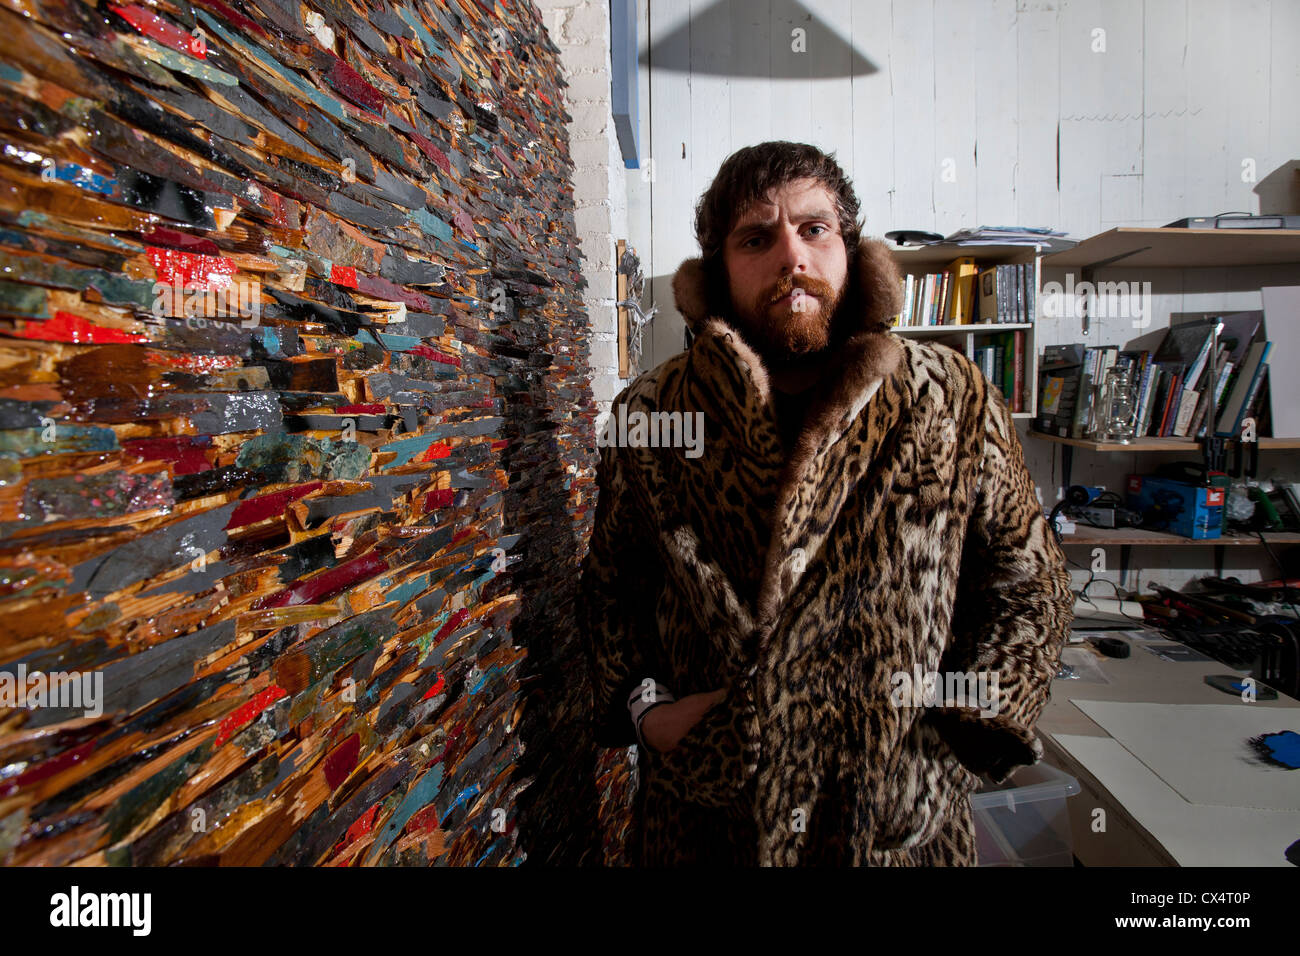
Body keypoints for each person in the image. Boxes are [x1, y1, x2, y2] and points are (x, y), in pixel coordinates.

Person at [580, 141, 1074, 866]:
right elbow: (610, 589)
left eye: (814, 229)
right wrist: (646, 709)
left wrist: (966, 720)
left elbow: (1029, 580)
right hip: (706, 826)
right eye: (757, 237)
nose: (791, 257)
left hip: (896, 831)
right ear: (719, 266)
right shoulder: (654, 413)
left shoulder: (949, 397)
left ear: (849, 248)